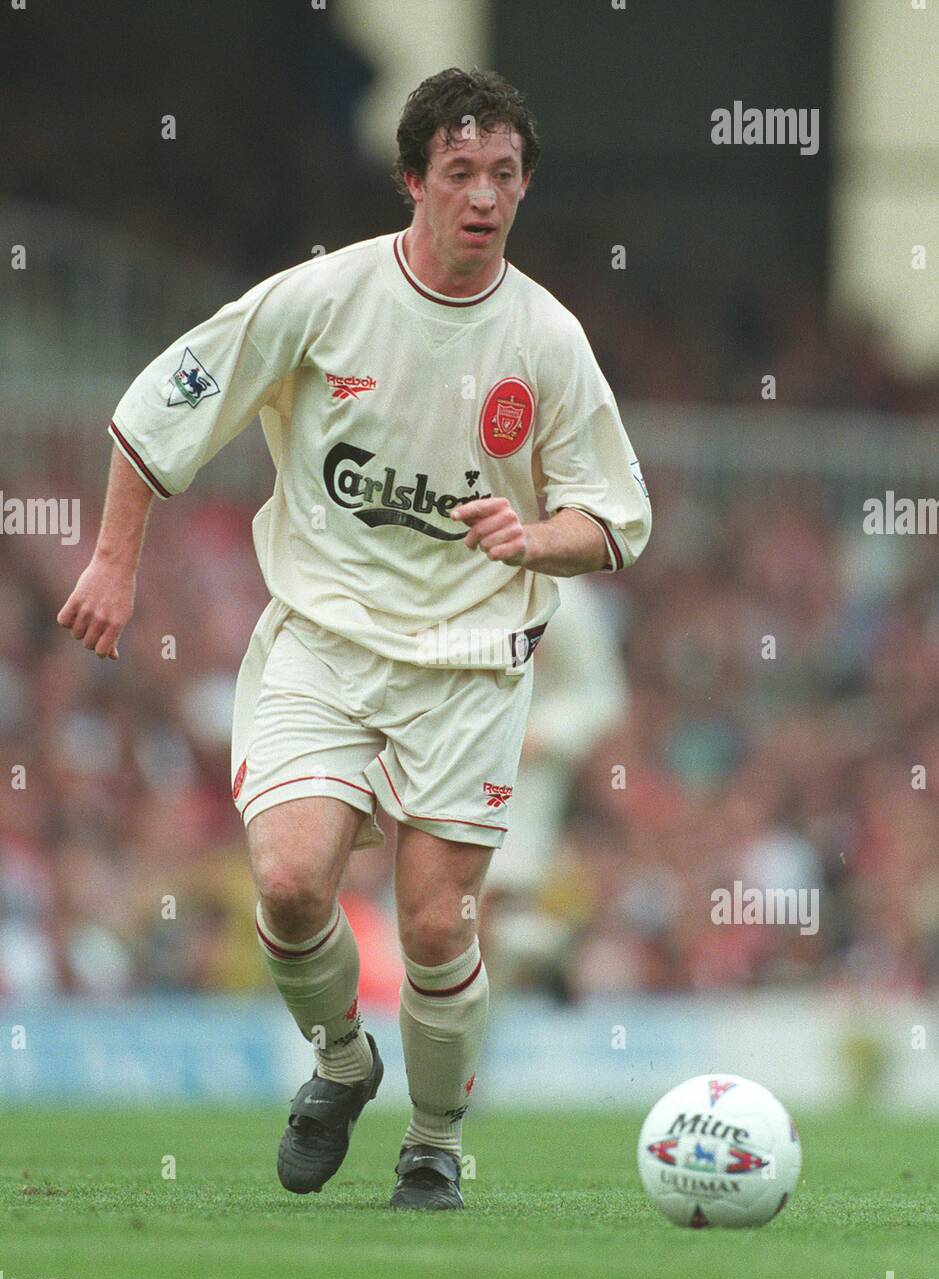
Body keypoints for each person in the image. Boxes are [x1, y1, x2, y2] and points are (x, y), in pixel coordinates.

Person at [57, 67, 651, 1210]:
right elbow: (168, 396)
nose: (485, 197)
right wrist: (115, 558)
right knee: (286, 882)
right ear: (414, 181)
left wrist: (534, 540)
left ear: (526, 186)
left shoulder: (549, 339)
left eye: (506, 176)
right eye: (462, 174)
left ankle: (432, 1139)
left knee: (435, 925)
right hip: (323, 644)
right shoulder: (322, 298)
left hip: (473, 664)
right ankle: (341, 1058)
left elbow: (617, 517)